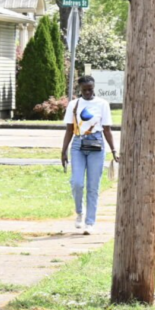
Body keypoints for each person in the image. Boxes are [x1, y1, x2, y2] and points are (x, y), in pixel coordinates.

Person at [60, 75, 118, 234]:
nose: (87, 93)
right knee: (77, 182)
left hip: (97, 144)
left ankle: (90, 222)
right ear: (80, 89)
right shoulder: (74, 104)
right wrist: (64, 150)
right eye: (84, 90)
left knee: (93, 186)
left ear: (94, 88)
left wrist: (114, 150)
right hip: (78, 144)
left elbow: (107, 130)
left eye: (90, 89)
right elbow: (69, 129)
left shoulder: (102, 104)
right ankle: (79, 212)